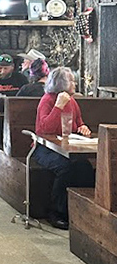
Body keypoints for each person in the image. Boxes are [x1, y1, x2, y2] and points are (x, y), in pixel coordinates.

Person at [33, 66, 95, 229]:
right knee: (65, 168)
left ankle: (84, 211)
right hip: (43, 148)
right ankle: (56, 212)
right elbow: (45, 128)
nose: (75, 84)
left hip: (67, 147)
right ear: (61, 83)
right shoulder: (47, 100)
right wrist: (58, 106)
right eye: (71, 81)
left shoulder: (72, 101)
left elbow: (79, 123)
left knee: (86, 167)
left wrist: (83, 128)